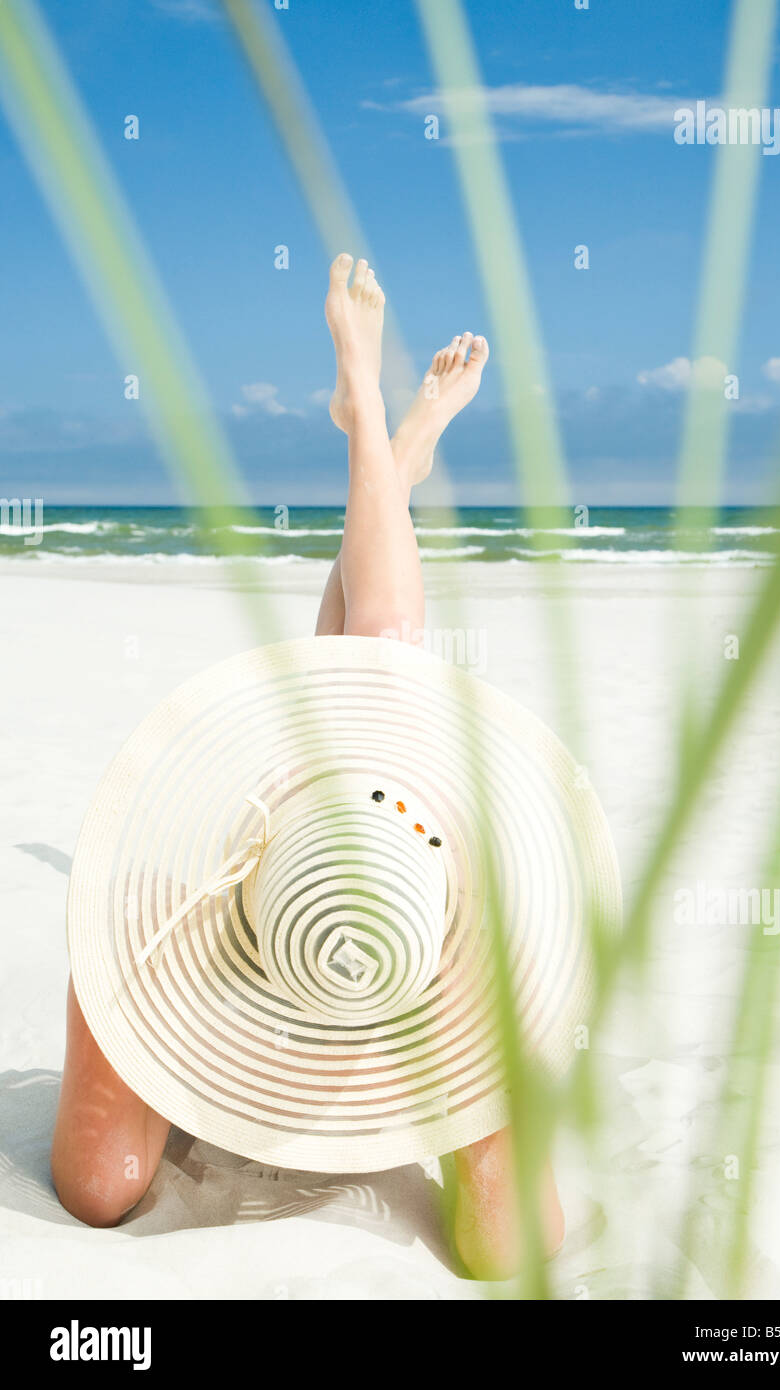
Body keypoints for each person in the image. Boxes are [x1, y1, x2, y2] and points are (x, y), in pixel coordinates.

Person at [52, 254, 565, 1280]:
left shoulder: (454, 948)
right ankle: (378, 433)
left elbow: (516, 1250)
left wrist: (486, 1105)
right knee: (380, 655)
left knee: (377, 661)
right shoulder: (205, 909)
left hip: (393, 914)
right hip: (290, 886)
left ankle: (382, 435)